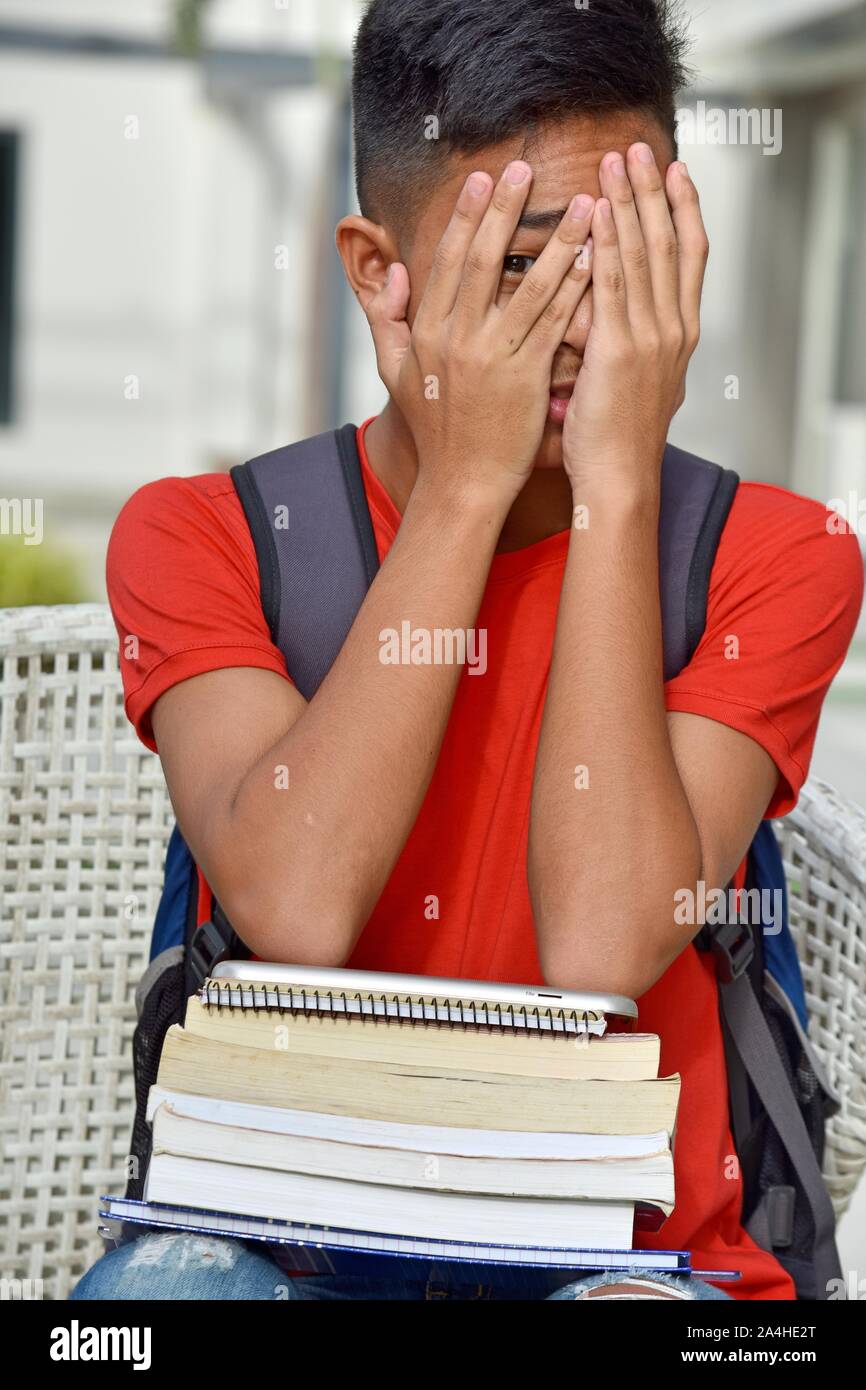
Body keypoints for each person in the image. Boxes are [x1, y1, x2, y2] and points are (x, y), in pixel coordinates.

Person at [72, 0, 862, 1301]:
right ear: (381, 275)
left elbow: (603, 947)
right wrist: (461, 491)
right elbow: (298, 904)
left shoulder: (771, 556)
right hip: (279, 1250)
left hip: (636, 1256)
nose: (579, 319)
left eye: (627, 258)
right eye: (522, 262)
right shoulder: (205, 536)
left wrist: (614, 488)